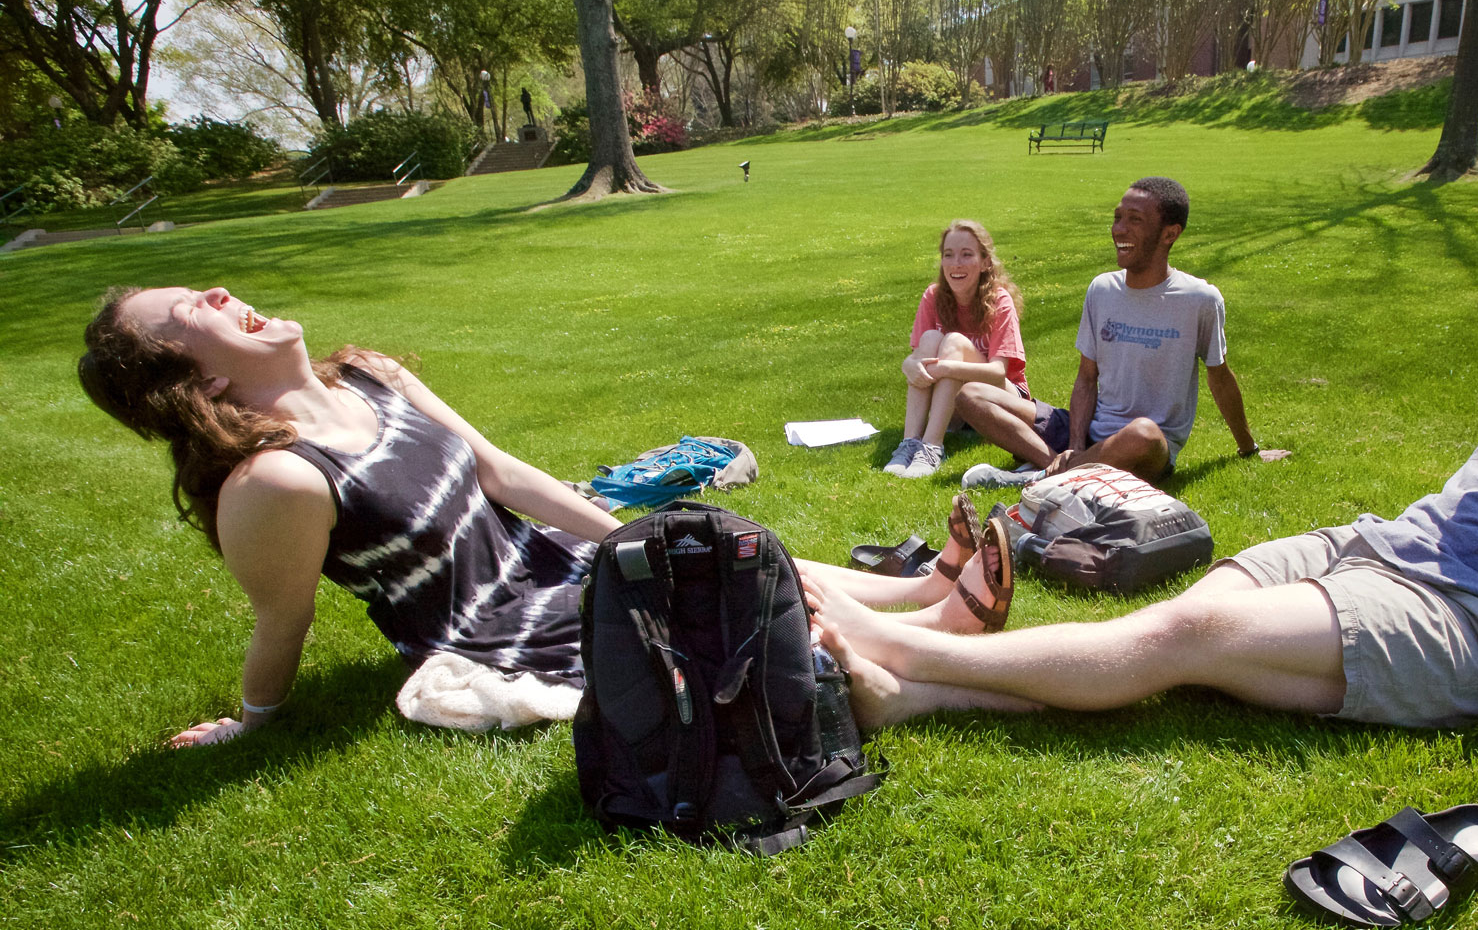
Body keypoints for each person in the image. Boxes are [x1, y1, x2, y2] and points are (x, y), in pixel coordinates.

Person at [809, 177, 1478, 780]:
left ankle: (908, 648)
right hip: (1381, 546)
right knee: (1198, 625)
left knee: (1183, 643)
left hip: (1473, 621)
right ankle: (915, 696)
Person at [80, 287, 1011, 748]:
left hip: (556, 559)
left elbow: (504, 474)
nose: (217, 294)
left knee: (715, 541)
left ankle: (922, 599)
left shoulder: (369, 375)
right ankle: (939, 643)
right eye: (187, 310)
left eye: (205, 285)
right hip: (506, 628)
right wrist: (253, 721)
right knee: (741, 593)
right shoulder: (274, 483)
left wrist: (629, 534)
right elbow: (283, 620)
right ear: (194, 380)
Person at [957, 177, 1266, 489]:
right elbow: (1086, 378)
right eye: (1118, 218)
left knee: (1142, 431)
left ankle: (1043, 478)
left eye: (1135, 220)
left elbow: (1220, 376)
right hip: (1090, 429)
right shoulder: (1102, 289)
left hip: (1144, 448)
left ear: (1170, 234)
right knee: (971, 395)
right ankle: (1060, 467)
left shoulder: (1199, 300)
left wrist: (1248, 448)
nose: (1119, 229)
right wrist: (1076, 442)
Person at [882, 220, 1029, 480]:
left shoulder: (1000, 301)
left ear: (985, 262)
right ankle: (910, 443)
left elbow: (998, 372)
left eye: (966, 255)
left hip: (1003, 400)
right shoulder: (934, 296)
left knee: (954, 343)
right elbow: (917, 359)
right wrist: (909, 365)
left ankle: (932, 447)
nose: (956, 264)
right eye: (948, 255)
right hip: (957, 407)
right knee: (929, 338)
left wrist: (946, 366)